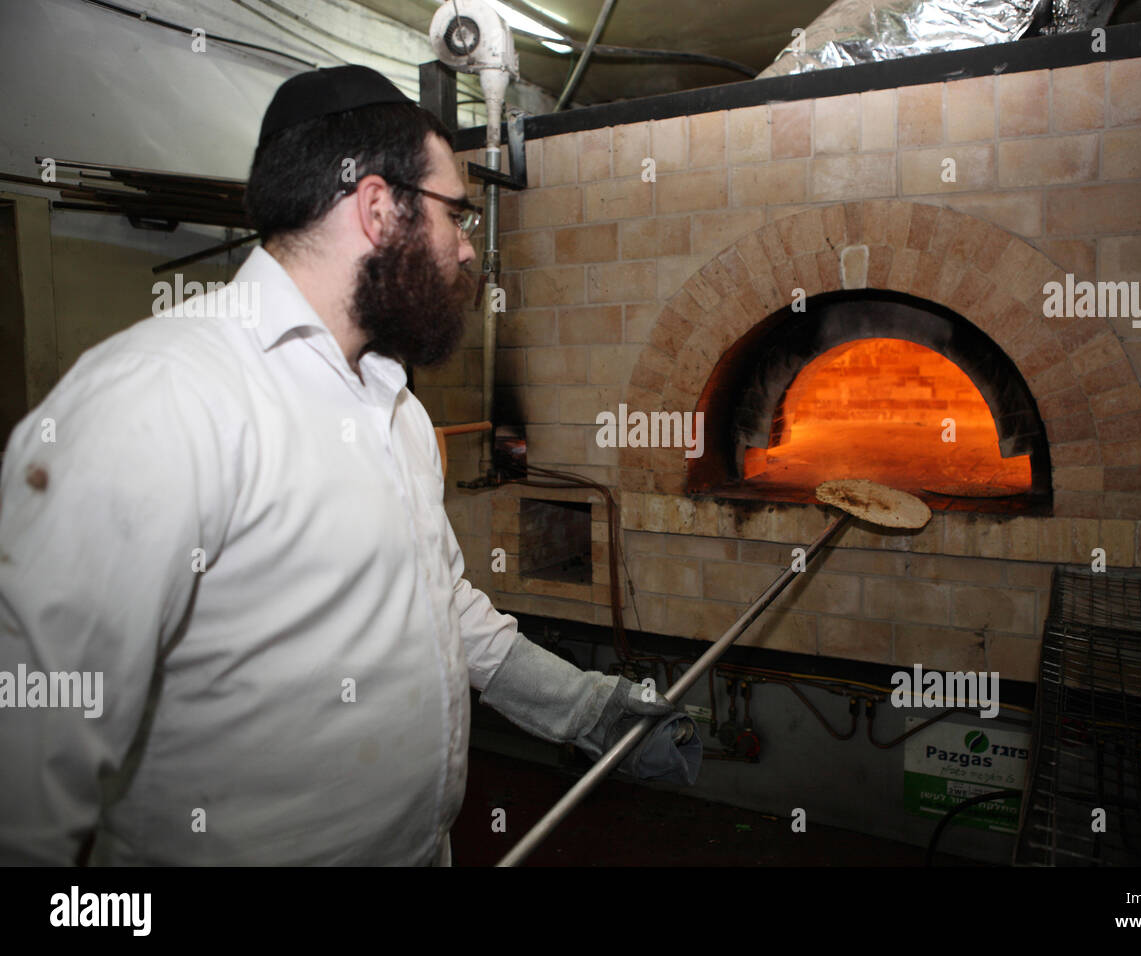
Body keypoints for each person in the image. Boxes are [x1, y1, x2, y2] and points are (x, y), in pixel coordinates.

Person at [0, 65, 698, 866]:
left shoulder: (390, 401)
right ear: (377, 207)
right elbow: (29, 764)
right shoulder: (161, 396)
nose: (467, 249)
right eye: (456, 214)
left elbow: (439, 604)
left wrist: (586, 708)